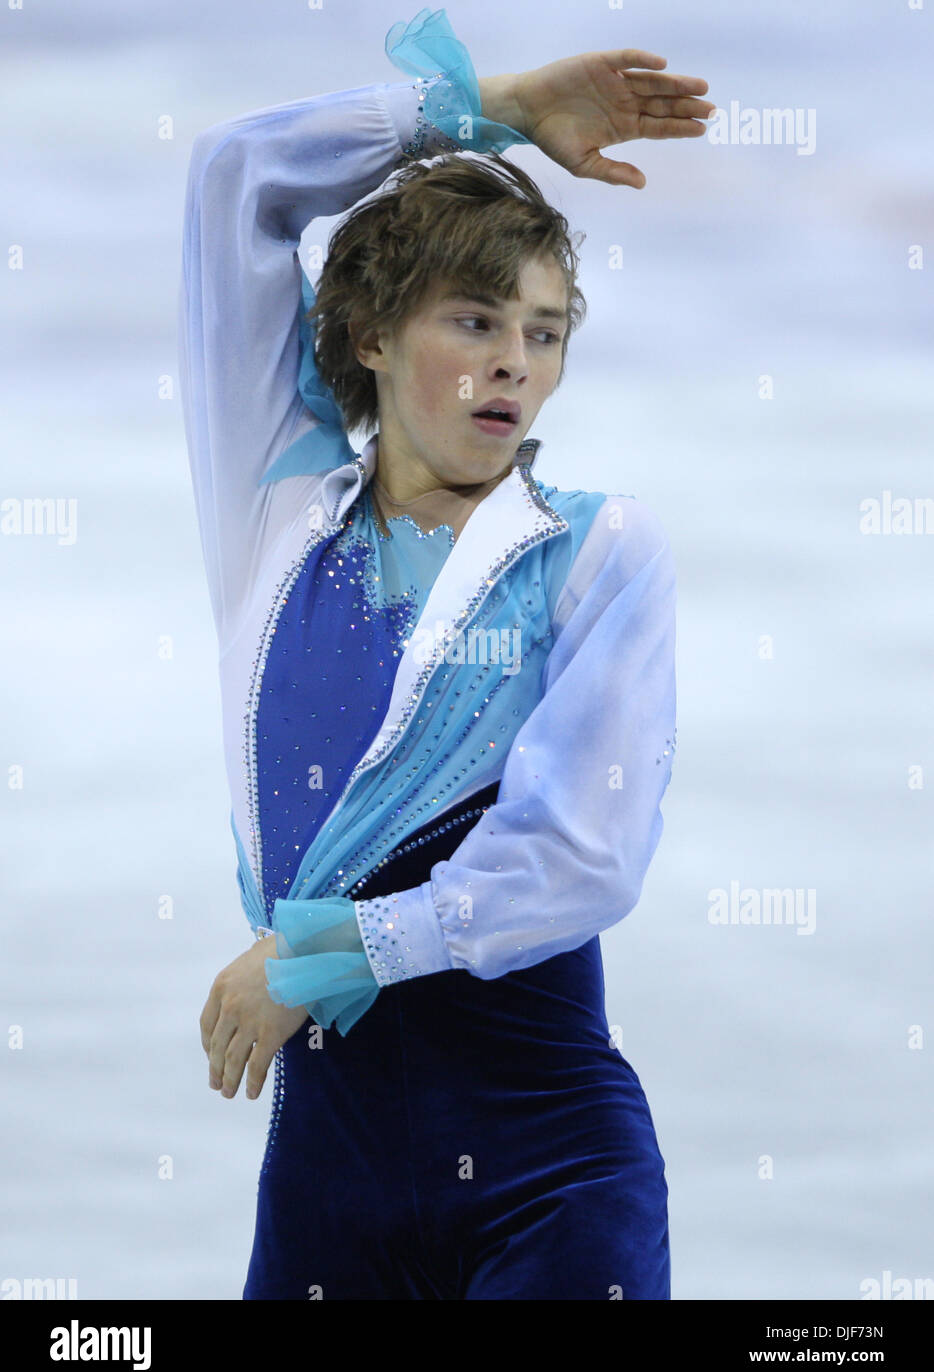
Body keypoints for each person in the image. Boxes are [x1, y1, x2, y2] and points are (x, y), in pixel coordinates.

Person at [179, 7, 713, 1300]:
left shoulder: (589, 554)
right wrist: (483, 108)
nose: (513, 367)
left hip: (549, 1182)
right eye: (474, 321)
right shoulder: (278, 510)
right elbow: (232, 182)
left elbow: (576, 854)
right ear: (367, 336)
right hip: (325, 1176)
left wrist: (327, 954)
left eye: (541, 332)